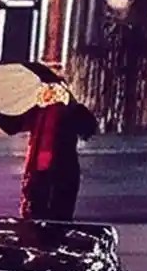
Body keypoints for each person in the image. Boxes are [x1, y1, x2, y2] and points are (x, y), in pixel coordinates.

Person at [19, 85, 99, 221]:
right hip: (37, 174)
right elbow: (19, 123)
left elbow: (89, 129)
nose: (52, 93)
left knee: (60, 218)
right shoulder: (37, 111)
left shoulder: (70, 111)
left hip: (62, 173)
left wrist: (72, 105)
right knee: (33, 218)